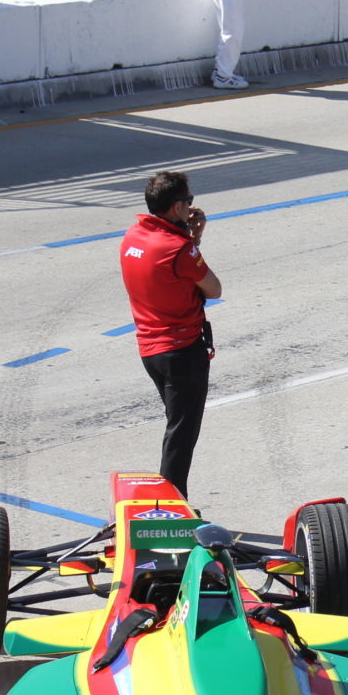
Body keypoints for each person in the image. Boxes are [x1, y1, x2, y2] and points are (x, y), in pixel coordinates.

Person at [120, 170, 220, 500]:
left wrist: (189, 236)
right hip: (182, 352)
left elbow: (169, 277)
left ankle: (171, 503)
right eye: (189, 202)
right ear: (177, 207)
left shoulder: (133, 237)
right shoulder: (178, 249)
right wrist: (193, 240)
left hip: (151, 351)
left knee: (176, 427)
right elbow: (213, 288)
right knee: (181, 435)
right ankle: (169, 508)